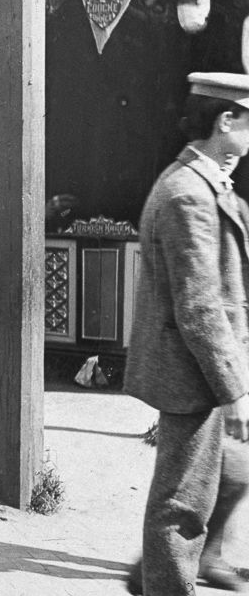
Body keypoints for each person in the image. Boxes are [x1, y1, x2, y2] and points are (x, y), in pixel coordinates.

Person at [124, 72, 249, 595]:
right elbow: (198, 307)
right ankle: (165, 583)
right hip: (191, 372)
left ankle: (166, 570)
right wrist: (235, 392)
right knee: (182, 505)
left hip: (209, 366)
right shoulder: (185, 196)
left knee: (235, 471)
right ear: (225, 121)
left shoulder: (208, 184)